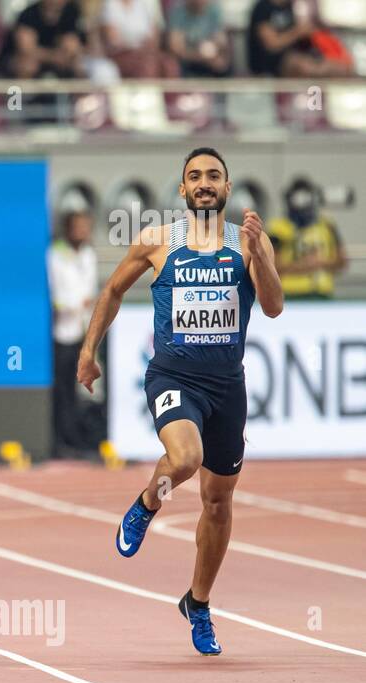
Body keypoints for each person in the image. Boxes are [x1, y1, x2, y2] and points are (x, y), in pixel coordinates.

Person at [77, 148, 284, 655]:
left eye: (214, 176)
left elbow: (274, 308)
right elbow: (112, 291)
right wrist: (88, 352)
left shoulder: (250, 243)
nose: (205, 183)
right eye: (195, 177)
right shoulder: (157, 241)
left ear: (228, 188)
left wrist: (259, 255)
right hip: (172, 376)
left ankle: (198, 602)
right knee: (185, 458)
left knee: (218, 501)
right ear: (183, 190)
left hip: (226, 387)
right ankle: (149, 502)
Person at [47, 210, 98, 458]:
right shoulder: (55, 254)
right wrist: (76, 304)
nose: (83, 231)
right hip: (62, 331)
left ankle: (81, 438)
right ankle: (61, 441)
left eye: (85, 226)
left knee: (85, 389)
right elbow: (58, 295)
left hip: (84, 332)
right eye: (78, 227)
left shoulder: (88, 254)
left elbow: (91, 289)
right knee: (63, 388)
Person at [269, 177, 347, 299]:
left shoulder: (327, 225)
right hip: (291, 294)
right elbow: (271, 266)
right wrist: (303, 266)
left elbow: (341, 261)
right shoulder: (279, 228)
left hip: (322, 294)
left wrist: (322, 263)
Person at [247, 0, 353, 78]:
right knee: (308, 68)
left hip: (296, 55)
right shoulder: (263, 8)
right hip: (271, 63)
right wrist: (297, 32)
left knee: (337, 67)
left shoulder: (290, 7)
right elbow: (271, 44)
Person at [0, 0, 87, 79]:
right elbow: (26, 49)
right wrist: (54, 57)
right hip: (18, 60)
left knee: (79, 64)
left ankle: (76, 96)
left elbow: (73, 44)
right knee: (28, 65)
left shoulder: (71, 12)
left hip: (56, 60)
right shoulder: (28, 15)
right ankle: (22, 96)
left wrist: (69, 54)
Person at [101, 0, 178, 78]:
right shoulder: (110, 4)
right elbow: (114, 40)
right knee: (148, 66)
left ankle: (170, 90)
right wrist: (138, 44)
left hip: (146, 53)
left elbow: (154, 36)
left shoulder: (145, 3)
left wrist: (146, 46)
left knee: (169, 65)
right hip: (121, 54)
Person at [166, 0, 230, 77]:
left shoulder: (214, 8)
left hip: (210, 58)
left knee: (222, 66)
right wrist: (199, 57)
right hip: (186, 61)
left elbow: (220, 41)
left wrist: (213, 53)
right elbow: (176, 47)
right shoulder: (178, 10)